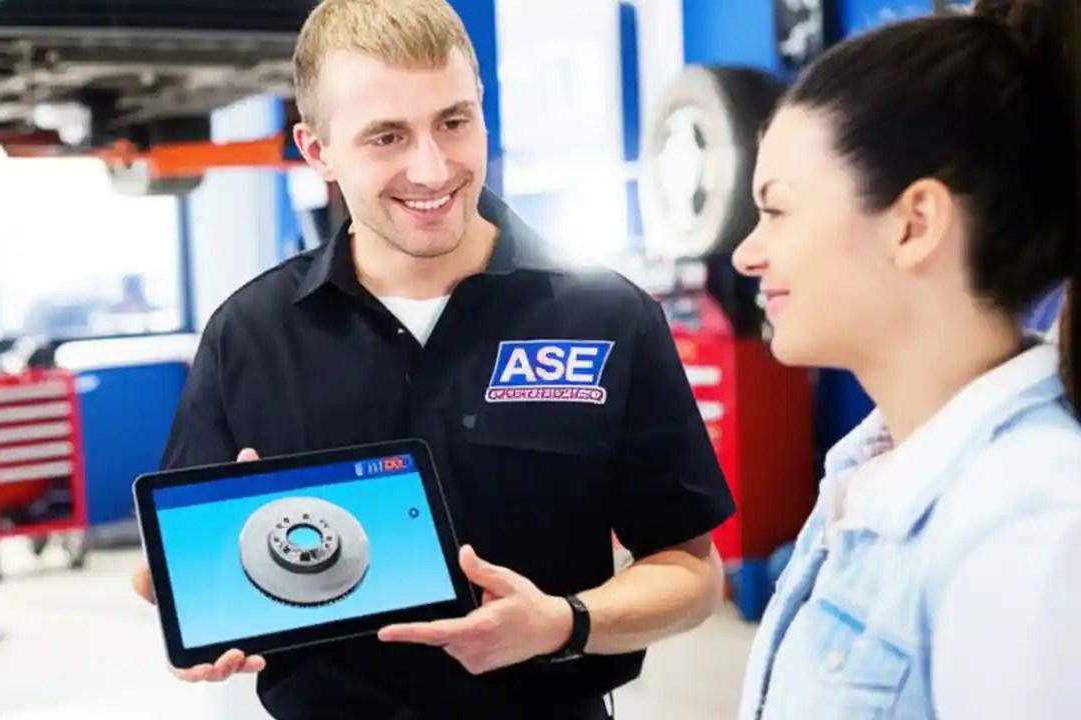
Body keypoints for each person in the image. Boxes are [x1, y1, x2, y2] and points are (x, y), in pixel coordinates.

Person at [130, 0, 736, 718]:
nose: (431, 167)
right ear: (317, 149)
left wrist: (563, 623)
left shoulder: (605, 316)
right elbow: (158, 575)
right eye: (386, 136)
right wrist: (222, 578)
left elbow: (692, 572)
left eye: (453, 122)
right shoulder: (251, 334)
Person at [730, 1, 1081, 718]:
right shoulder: (868, 468)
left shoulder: (1031, 531)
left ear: (914, 224)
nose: (746, 252)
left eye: (777, 210)